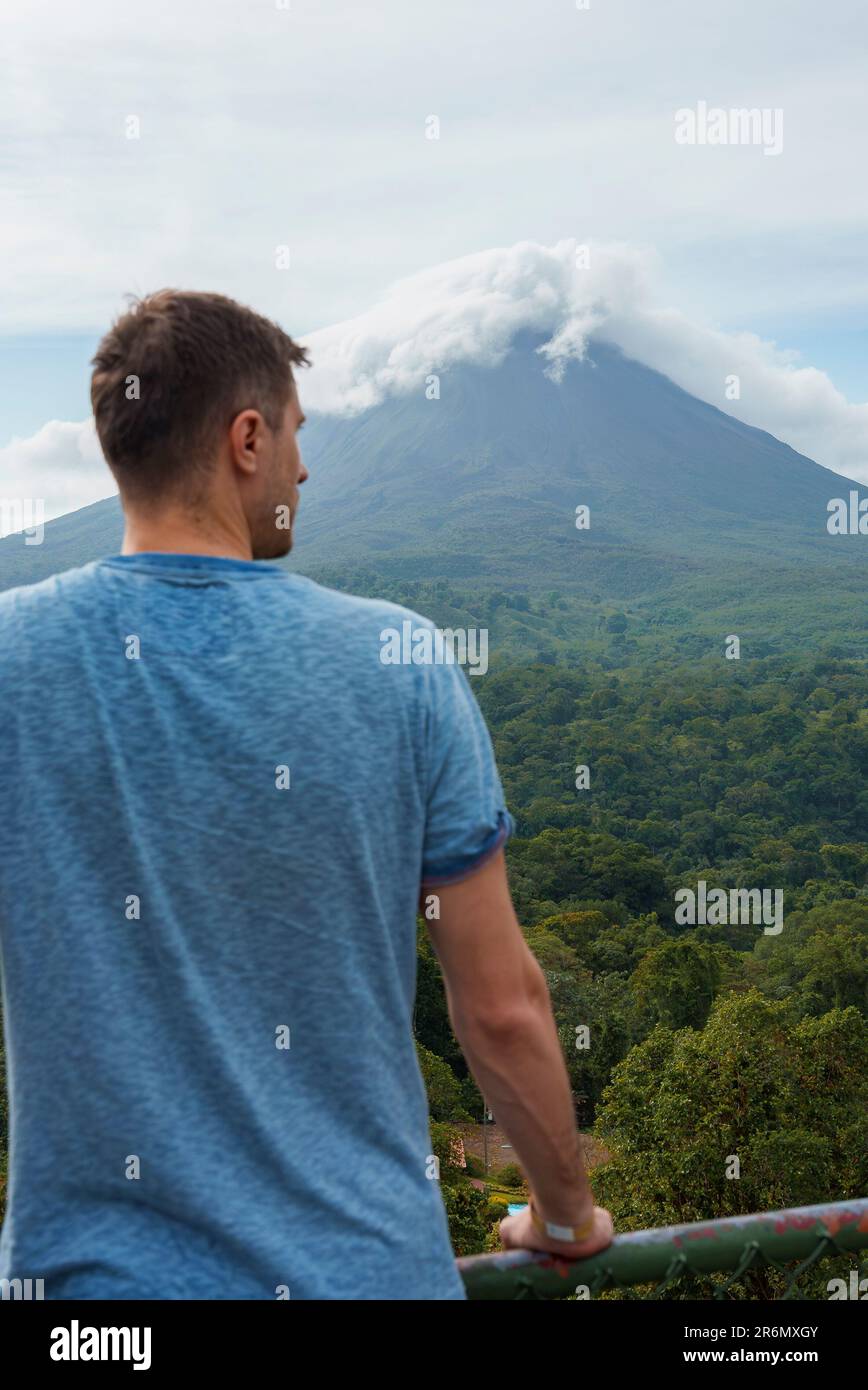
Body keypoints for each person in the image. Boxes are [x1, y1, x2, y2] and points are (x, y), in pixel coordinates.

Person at [0, 290, 613, 1300]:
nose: (305, 467)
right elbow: (502, 1007)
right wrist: (562, 1215)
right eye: (294, 434)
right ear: (248, 437)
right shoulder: (401, 657)